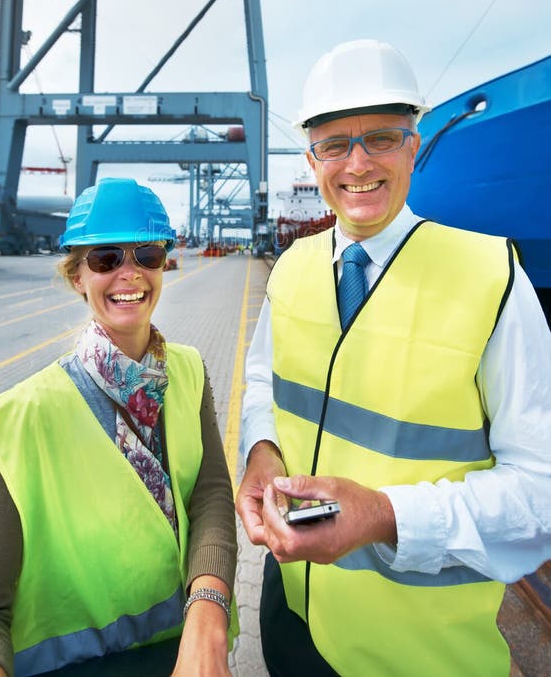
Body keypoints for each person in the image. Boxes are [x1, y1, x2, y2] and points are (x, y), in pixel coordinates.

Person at [236, 39, 551, 676]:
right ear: (311, 158)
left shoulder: (493, 280)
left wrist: (383, 515)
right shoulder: (292, 269)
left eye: (380, 137)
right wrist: (259, 450)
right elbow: (262, 380)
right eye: (334, 144)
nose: (357, 164)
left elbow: (541, 495)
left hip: (418, 654)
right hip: (291, 617)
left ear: (414, 144)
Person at [0, 178, 237, 677]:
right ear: (78, 276)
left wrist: (209, 610)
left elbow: (209, 493)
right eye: (106, 259)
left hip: (183, 654)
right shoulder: (19, 422)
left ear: (164, 262)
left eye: (146, 254)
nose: (130, 274)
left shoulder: (188, 371)